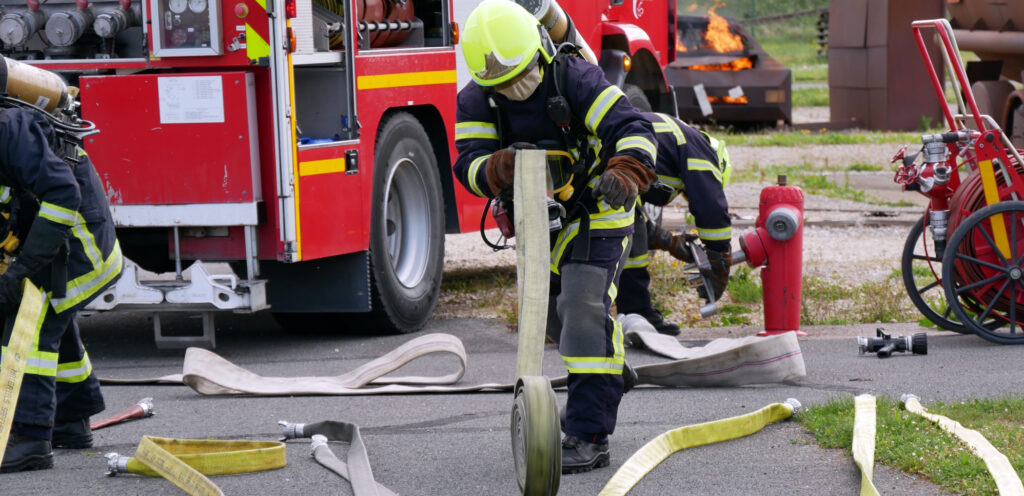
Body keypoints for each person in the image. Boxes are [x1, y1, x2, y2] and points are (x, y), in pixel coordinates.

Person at [453, 0, 657, 474]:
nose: (515, 90)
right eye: (502, 85)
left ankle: (588, 435)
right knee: (555, 324)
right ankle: (606, 371)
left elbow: (634, 127)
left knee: (582, 312)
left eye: (522, 76)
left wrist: (626, 171)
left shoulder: (575, 78)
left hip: (598, 210)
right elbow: (469, 165)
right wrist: (498, 167)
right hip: (538, 220)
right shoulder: (476, 99)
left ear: (541, 50)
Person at [0, 106, 123, 472]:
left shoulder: (9, 130)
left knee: (27, 325)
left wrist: (22, 270)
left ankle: (29, 438)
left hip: (82, 249)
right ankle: (70, 420)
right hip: (60, 253)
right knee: (56, 321)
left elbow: (62, 195)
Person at [615, 112, 733, 333]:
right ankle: (636, 310)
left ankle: (636, 310)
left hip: (604, 157)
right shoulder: (701, 150)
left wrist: (669, 242)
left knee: (627, 225)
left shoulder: (672, 146)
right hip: (612, 156)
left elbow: (632, 216)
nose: (685, 196)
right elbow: (710, 205)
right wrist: (719, 254)